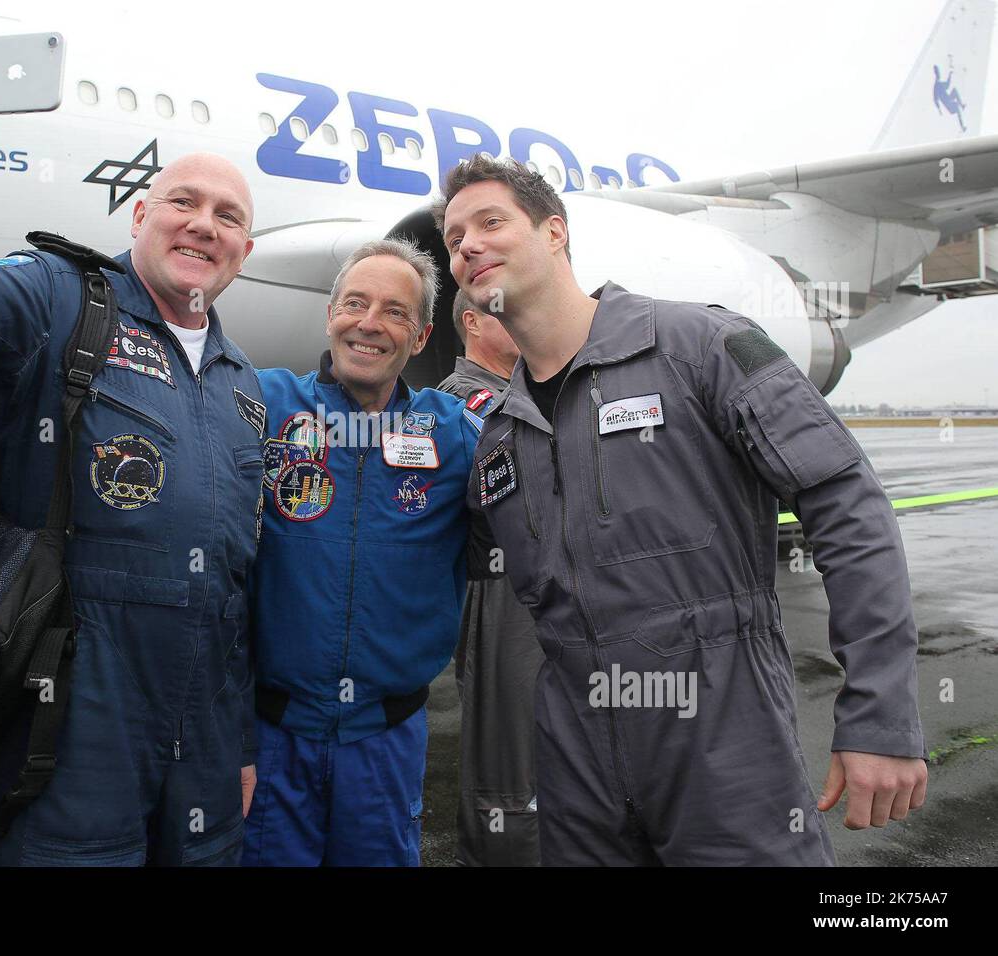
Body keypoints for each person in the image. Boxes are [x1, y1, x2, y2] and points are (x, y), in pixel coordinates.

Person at [0, 15, 264, 866]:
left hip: (206, 748)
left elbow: (236, 593)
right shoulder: (62, 303)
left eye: (227, 216)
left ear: (241, 253)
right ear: (139, 215)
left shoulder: (242, 386)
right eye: (183, 201)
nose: (203, 224)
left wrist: (240, 743)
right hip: (66, 733)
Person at [435, 155, 928, 866]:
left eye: (490, 222)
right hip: (576, 769)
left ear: (554, 233)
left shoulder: (698, 347)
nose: (468, 246)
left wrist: (880, 712)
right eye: (453, 240)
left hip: (726, 746)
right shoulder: (499, 442)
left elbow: (848, 505)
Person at [242, 239, 479, 866]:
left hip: (386, 742)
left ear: (423, 336)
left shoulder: (452, 433)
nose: (370, 323)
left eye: (396, 312)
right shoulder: (261, 405)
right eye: (355, 302)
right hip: (271, 736)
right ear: (330, 314)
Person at [437, 291, 543, 866]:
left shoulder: (516, 394)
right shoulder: (464, 403)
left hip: (533, 588)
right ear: (472, 323)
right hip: (501, 592)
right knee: (510, 761)